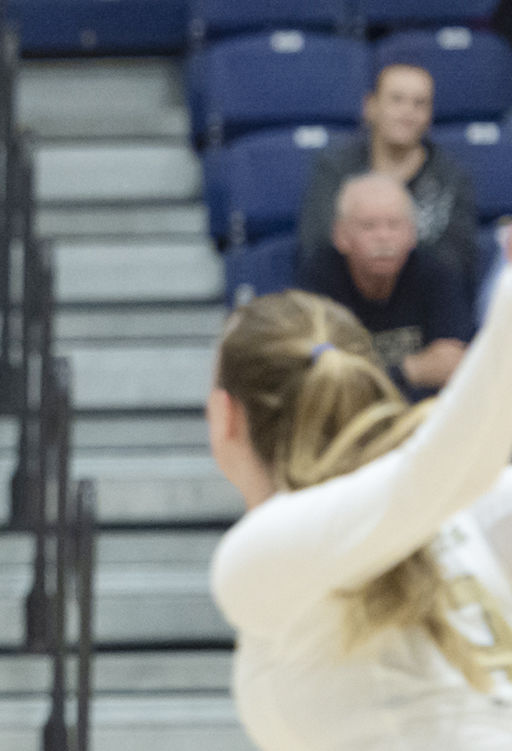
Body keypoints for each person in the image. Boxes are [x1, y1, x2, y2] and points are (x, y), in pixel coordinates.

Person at [205, 279, 512, 750]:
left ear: (225, 416)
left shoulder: (254, 558)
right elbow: (432, 475)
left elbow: (431, 474)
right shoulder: (463, 505)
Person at [297, 64, 479, 293]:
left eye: (419, 103)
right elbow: (318, 247)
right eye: (396, 100)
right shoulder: (335, 169)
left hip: (424, 304)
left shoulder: (451, 175)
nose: (407, 112)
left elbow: (458, 261)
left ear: (431, 115)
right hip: (345, 299)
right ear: (370, 106)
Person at [294, 175, 473, 400]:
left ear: (412, 234)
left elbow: (455, 362)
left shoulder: (436, 270)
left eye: (394, 225)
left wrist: (364, 372)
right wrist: (410, 370)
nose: (383, 237)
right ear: (340, 235)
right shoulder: (318, 277)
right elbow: (319, 373)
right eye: (368, 226)